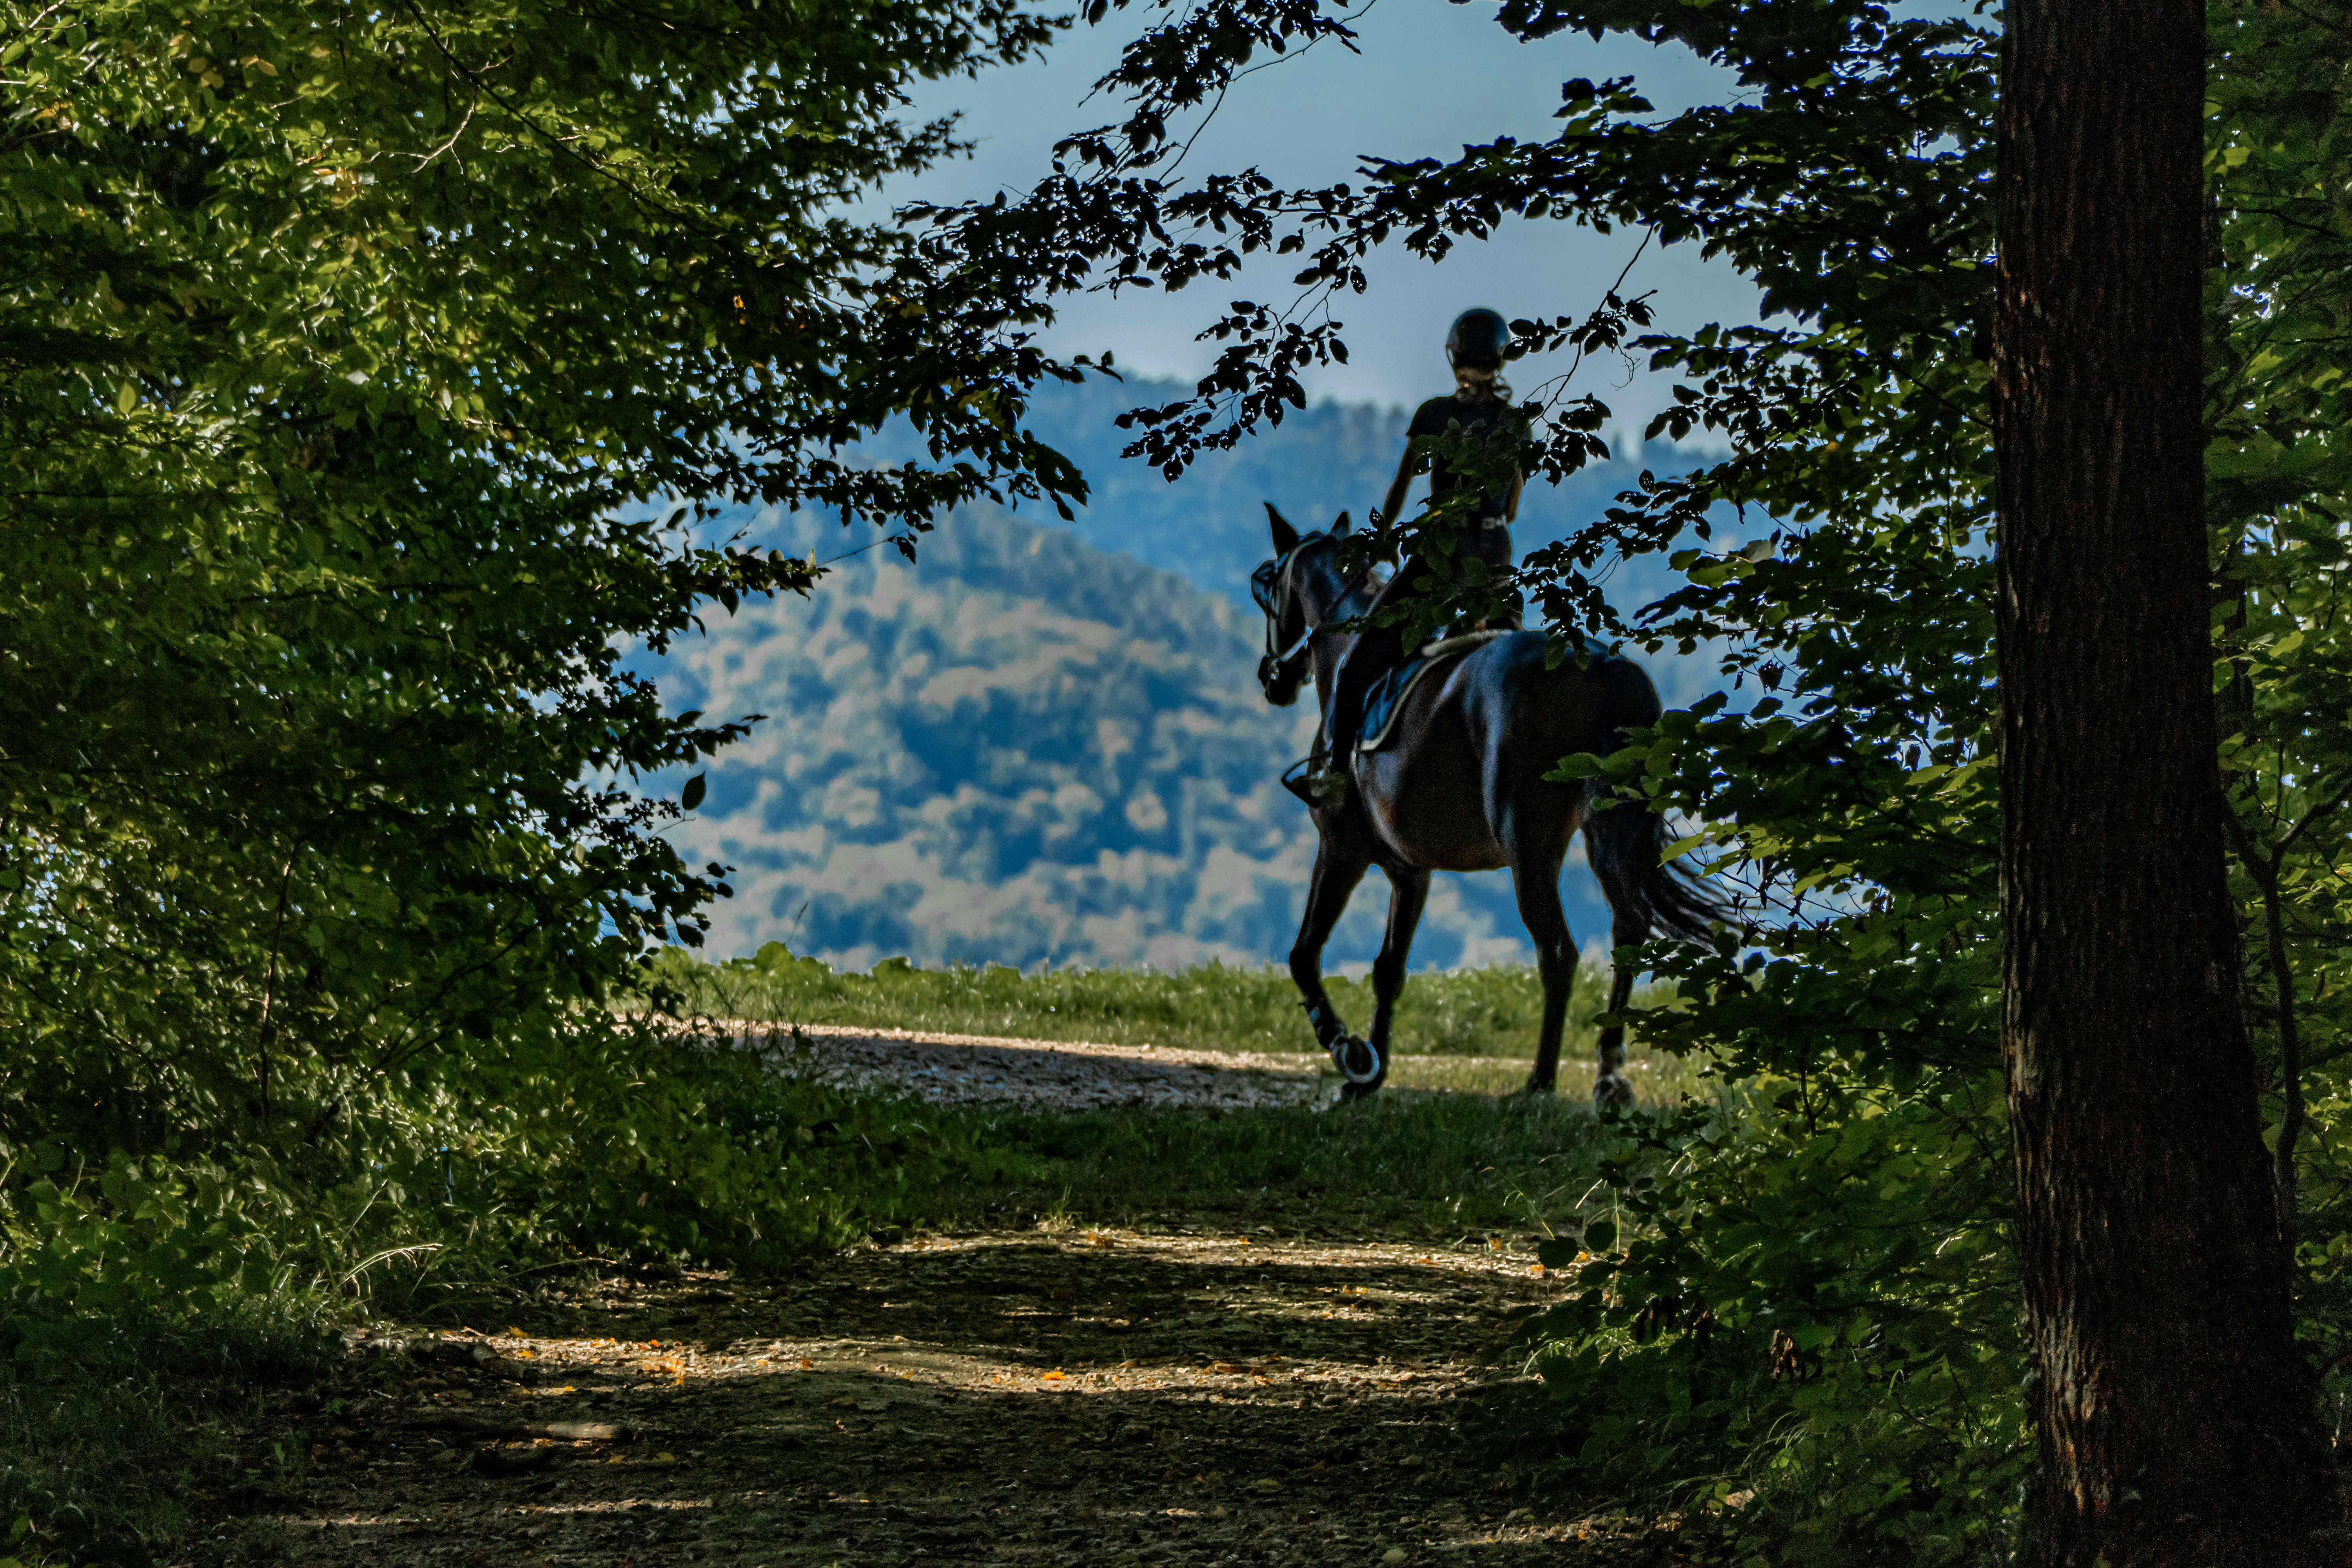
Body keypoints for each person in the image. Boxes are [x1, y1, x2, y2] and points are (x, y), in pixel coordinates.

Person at [1290, 307, 1526, 809]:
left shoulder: (1435, 415)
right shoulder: (1515, 424)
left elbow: (1400, 487)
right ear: (1501, 359)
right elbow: (1511, 506)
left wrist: (1380, 541)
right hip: (1496, 562)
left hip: (1443, 559)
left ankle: (1334, 776)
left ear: (1453, 358)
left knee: (1357, 667)